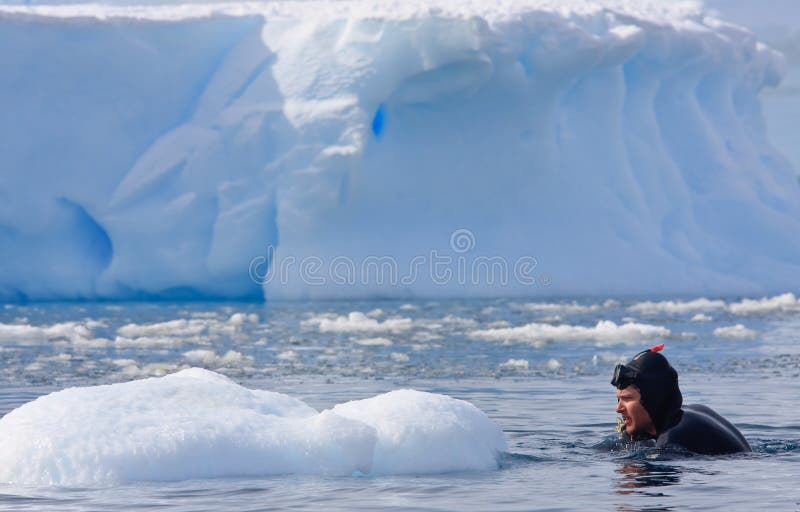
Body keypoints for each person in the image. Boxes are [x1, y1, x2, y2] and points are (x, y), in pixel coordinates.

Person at [611, 343, 751, 455]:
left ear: (653, 399)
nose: (618, 409)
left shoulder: (673, 439)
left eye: (627, 399)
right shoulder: (687, 413)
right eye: (619, 400)